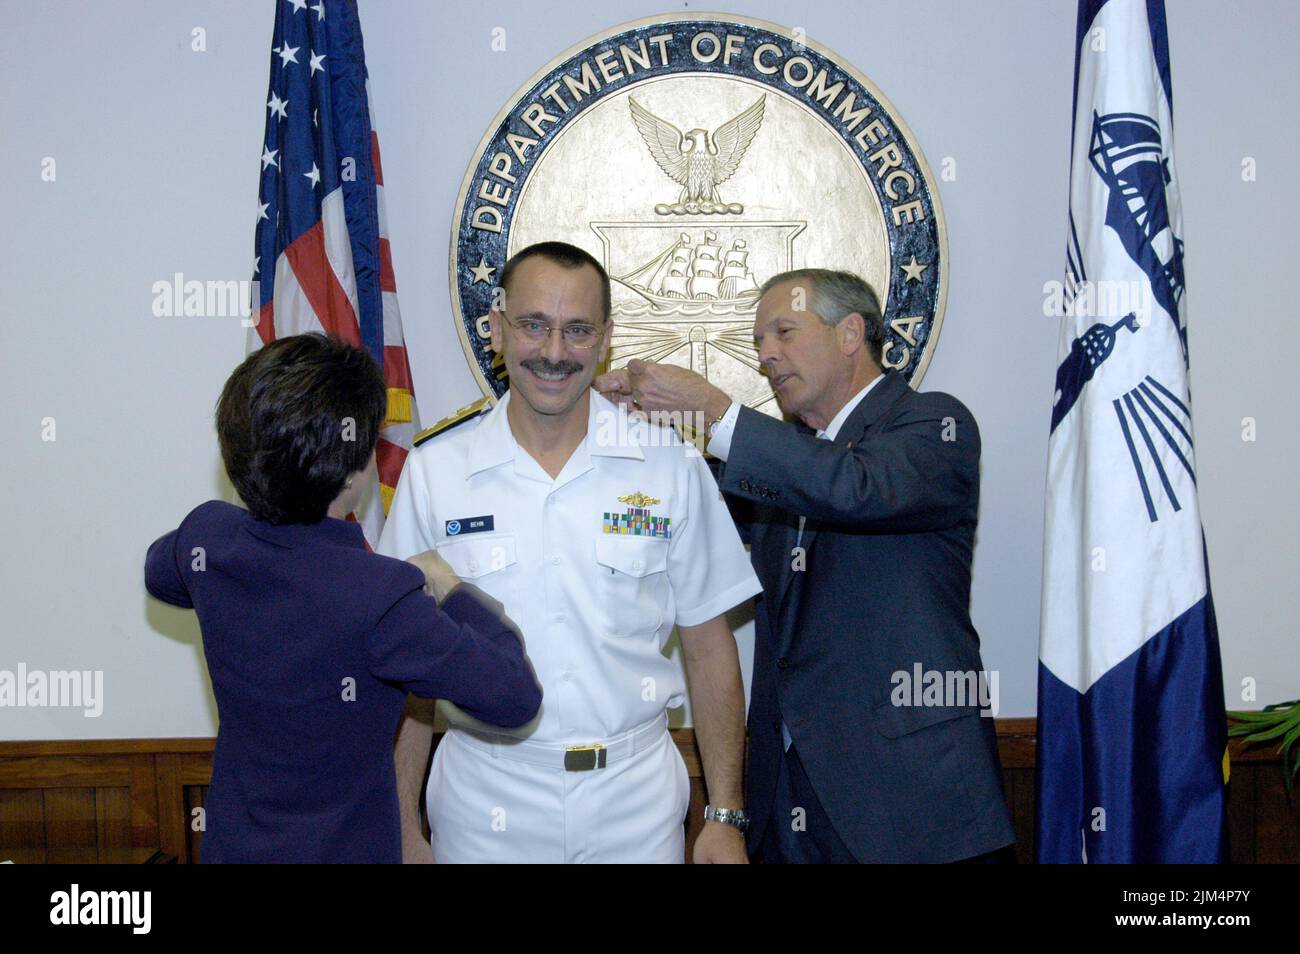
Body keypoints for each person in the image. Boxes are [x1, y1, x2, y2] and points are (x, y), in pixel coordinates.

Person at [597, 268, 1016, 863]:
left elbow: (852, 489)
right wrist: (629, 431)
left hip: (913, 806)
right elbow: (679, 518)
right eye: (758, 342)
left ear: (851, 333)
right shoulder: (777, 463)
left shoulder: (935, 427)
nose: (766, 354)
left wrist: (715, 409)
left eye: (784, 331)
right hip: (786, 802)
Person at [379, 241, 762, 864]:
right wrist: (400, 822)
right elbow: (409, 664)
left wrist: (722, 815)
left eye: (577, 330)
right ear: (498, 330)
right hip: (484, 800)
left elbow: (708, 642)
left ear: (606, 338)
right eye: (533, 325)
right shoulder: (435, 471)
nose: (554, 352)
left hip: (632, 803)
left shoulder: (670, 466)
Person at [144, 333, 541, 863]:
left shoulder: (209, 539)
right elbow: (515, 697)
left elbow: (157, 574)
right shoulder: (382, 598)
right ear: (354, 472)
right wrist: (450, 589)